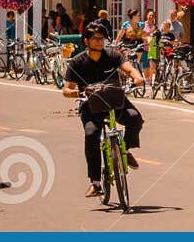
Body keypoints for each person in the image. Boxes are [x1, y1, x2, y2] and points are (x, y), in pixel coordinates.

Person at [61, 21, 146, 198]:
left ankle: (125, 150)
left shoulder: (112, 55)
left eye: (102, 38)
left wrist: (138, 78)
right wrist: (77, 92)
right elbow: (66, 90)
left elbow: (129, 68)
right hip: (90, 104)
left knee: (135, 118)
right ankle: (95, 182)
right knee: (91, 134)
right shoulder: (77, 62)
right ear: (86, 41)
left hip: (115, 100)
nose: (100, 42)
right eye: (96, 39)